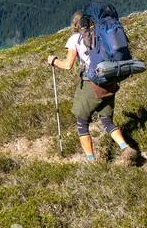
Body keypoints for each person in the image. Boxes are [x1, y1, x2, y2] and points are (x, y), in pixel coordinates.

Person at [47, 11, 139, 164]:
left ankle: (91, 161)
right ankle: (126, 148)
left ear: (75, 25)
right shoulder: (102, 34)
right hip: (110, 82)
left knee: (82, 122)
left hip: (92, 85)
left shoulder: (75, 38)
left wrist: (54, 60)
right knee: (107, 121)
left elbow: (68, 65)